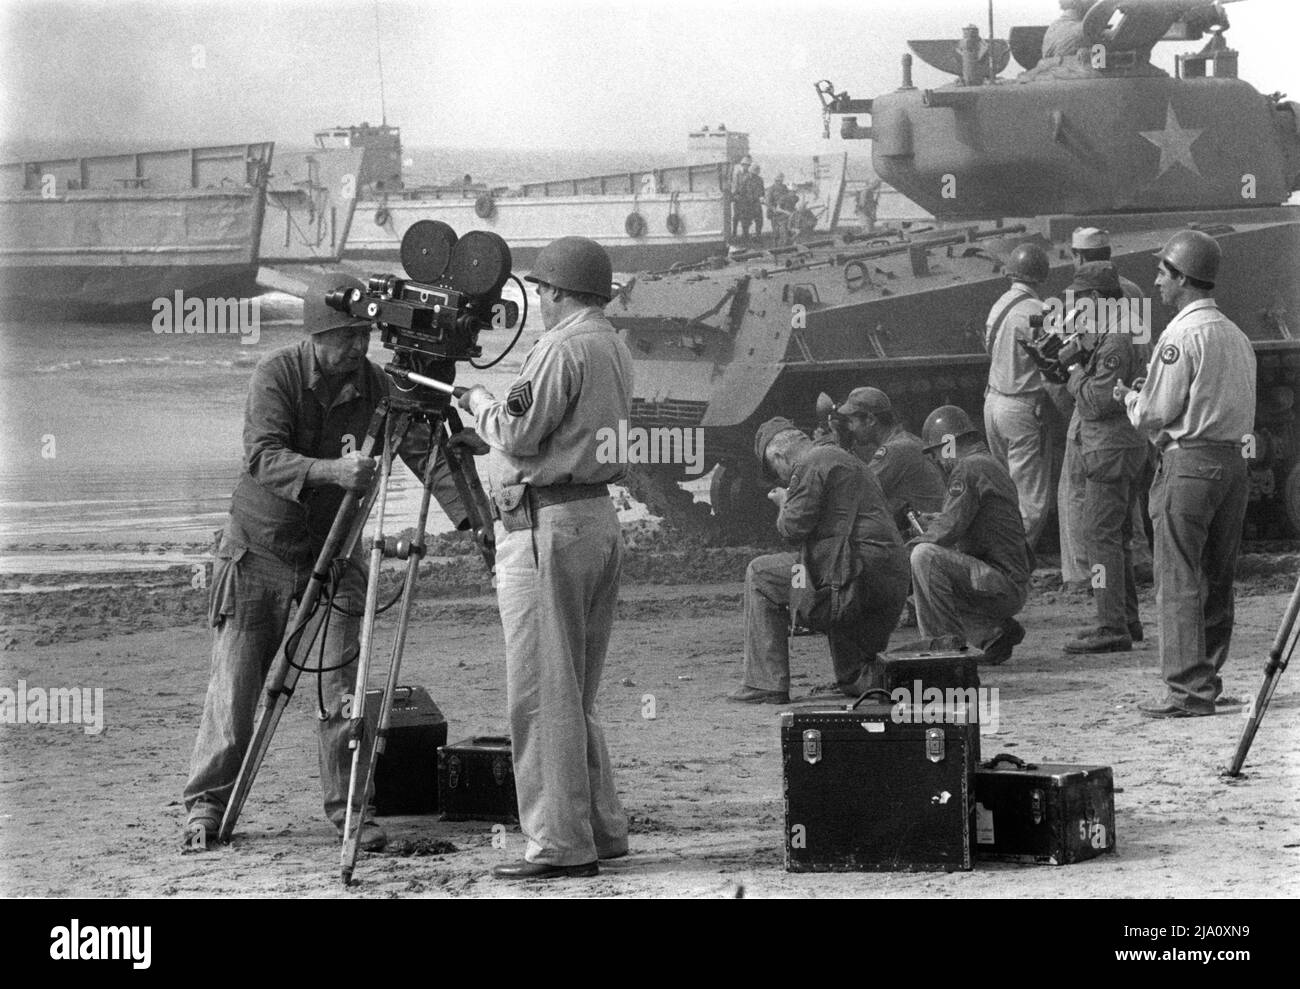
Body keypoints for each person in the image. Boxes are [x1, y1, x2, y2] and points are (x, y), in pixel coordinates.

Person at [183, 277, 477, 852]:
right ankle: (207, 807)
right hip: (259, 553)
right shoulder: (277, 374)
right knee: (237, 691)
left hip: (338, 553)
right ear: (315, 336)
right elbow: (263, 457)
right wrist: (331, 472)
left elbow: (423, 453)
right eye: (344, 337)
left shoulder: (378, 386)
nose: (357, 348)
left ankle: (351, 816)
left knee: (345, 692)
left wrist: (476, 524)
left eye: (364, 335)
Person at [457, 236, 633, 877]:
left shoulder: (560, 347)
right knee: (574, 692)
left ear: (556, 291)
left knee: (540, 694)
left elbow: (517, 429)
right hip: (594, 519)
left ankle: (560, 844)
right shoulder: (611, 341)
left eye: (542, 291)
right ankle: (601, 829)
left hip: (548, 527)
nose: (539, 301)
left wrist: (476, 402)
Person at [1115, 230, 1256, 718]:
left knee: (1177, 579)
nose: (1156, 282)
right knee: (1217, 578)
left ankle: (1186, 692)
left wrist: (1129, 397)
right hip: (1232, 465)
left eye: (1162, 273)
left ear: (1181, 277)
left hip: (1189, 465)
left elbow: (1154, 412)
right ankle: (1206, 682)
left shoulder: (1180, 335)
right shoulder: (1235, 335)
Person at [730, 417, 910, 704]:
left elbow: (792, 529)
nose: (780, 477)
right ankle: (920, 678)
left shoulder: (811, 464)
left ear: (778, 455)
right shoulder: (842, 458)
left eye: (776, 470)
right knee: (855, 678)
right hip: (885, 577)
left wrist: (783, 502)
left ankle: (765, 683)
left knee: (761, 574)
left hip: (856, 578)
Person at [1057, 227, 1153, 596]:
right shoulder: (1133, 291)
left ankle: (1083, 575)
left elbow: (1070, 355)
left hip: (1097, 409)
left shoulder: (1081, 298)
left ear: (1078, 256)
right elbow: (1142, 344)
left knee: (1082, 499)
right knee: (1126, 513)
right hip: (1129, 404)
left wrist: (1070, 373)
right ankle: (1139, 563)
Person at [909, 405, 1031, 665]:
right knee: (932, 565)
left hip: (1000, 582)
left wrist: (906, 549)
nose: (938, 462)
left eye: (937, 454)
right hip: (1007, 581)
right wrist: (935, 522)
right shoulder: (986, 463)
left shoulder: (968, 468)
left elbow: (947, 530)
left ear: (949, 444)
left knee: (924, 557)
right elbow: (966, 521)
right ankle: (991, 633)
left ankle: (942, 654)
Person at [983, 242, 1054, 550]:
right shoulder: (1038, 312)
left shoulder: (999, 305)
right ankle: (1013, 559)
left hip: (993, 402)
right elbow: (1056, 363)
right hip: (1022, 406)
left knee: (1007, 490)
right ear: (1041, 277)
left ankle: (996, 546)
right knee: (1032, 499)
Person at [832, 386, 946, 524]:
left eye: (851, 422)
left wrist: (837, 448)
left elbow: (852, 495)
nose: (850, 429)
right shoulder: (905, 441)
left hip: (924, 535)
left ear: (870, 420)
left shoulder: (896, 450)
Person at [730, 155, 753, 241]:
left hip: (746, 198)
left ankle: (745, 234)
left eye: (748, 165)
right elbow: (735, 185)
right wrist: (735, 195)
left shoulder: (749, 175)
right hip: (738, 197)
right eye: (745, 165)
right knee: (736, 216)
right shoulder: (737, 173)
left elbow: (750, 187)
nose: (746, 167)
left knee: (746, 217)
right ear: (742, 165)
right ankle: (734, 233)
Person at [766, 171, 791, 247]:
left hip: (784, 213)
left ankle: (785, 246)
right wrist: (774, 210)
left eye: (780, 180)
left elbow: (788, 198)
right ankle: (775, 247)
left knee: (784, 230)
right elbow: (768, 202)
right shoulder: (771, 189)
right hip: (775, 214)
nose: (779, 182)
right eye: (777, 180)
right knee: (776, 232)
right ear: (775, 180)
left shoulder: (784, 188)